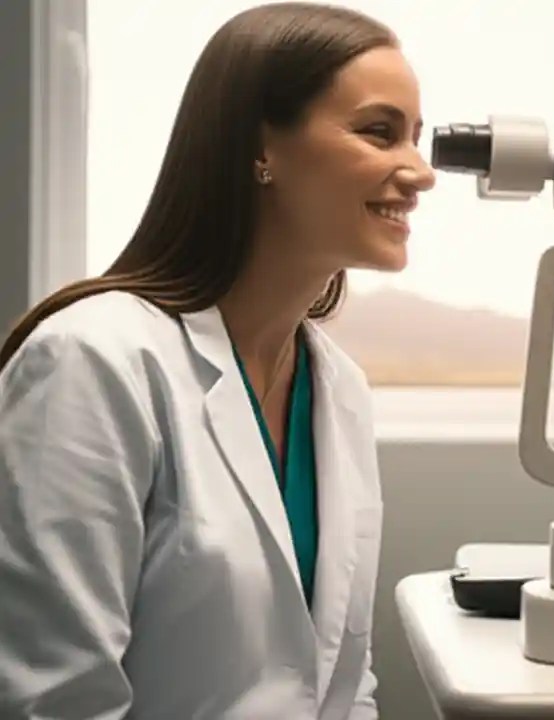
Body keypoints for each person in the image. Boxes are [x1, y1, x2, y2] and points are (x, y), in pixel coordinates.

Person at [0, 3, 434, 718]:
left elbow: (345, 688)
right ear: (258, 150)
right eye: (378, 132)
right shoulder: (92, 363)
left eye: (415, 138)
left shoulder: (339, 390)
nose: (419, 172)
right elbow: (50, 702)